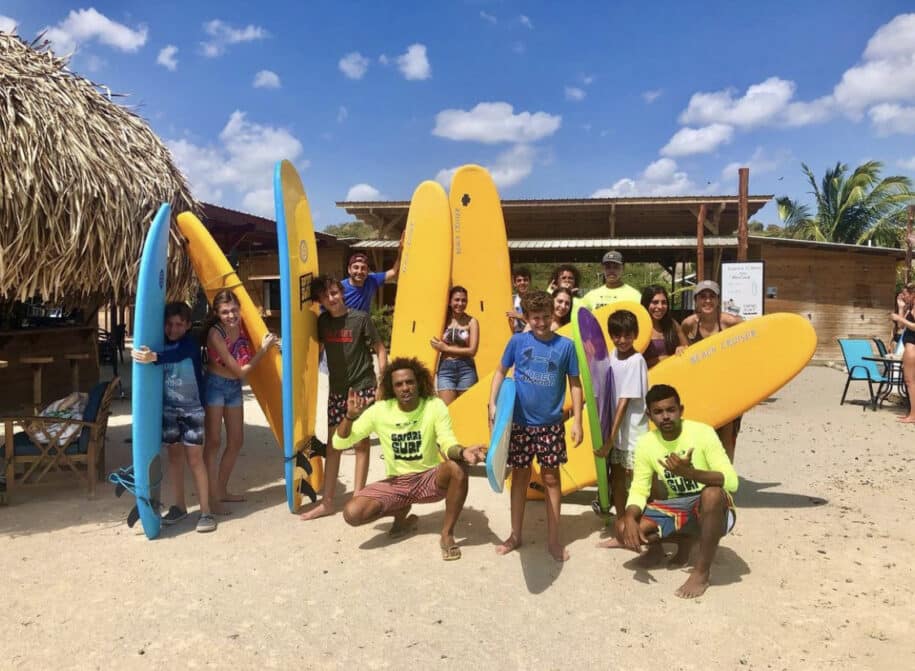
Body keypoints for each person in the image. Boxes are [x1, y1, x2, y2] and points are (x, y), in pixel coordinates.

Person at [333, 357, 486, 561]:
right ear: (391, 388)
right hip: (397, 482)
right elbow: (339, 443)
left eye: (409, 382)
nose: (405, 388)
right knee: (352, 513)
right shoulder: (380, 411)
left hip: (430, 479)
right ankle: (400, 516)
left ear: (419, 382)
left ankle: (447, 535)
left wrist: (462, 452)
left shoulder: (434, 406)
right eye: (399, 384)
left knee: (457, 469)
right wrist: (350, 417)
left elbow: (446, 441)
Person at [606, 384, 739, 599]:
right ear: (649, 415)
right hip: (679, 508)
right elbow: (640, 488)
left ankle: (701, 573)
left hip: (716, 509)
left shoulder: (702, 433)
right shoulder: (646, 443)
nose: (665, 417)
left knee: (711, 494)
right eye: (658, 412)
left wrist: (690, 473)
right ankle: (673, 546)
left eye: (671, 410)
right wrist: (630, 516)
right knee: (623, 527)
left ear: (681, 410)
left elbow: (732, 482)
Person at [490, 290, 583, 561]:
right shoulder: (517, 341)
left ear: (553, 315)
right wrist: (492, 404)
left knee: (552, 478)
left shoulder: (566, 346)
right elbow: (499, 372)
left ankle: (554, 539)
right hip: (519, 421)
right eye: (535, 318)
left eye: (545, 317)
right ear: (527, 318)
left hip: (551, 424)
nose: (541, 323)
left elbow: (575, 384)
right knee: (519, 476)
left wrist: (577, 420)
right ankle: (515, 535)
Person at [300, 275, 388, 521]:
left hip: (362, 387)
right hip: (338, 391)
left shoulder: (360, 319)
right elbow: (313, 352)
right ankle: (328, 502)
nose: (332, 298)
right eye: (326, 296)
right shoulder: (323, 322)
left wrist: (382, 382)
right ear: (321, 301)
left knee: (360, 444)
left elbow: (380, 349)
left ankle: (357, 496)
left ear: (341, 291)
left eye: (334, 292)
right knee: (334, 444)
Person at [132, 302, 216, 532]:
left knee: (195, 460)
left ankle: (206, 511)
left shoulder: (189, 345)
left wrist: (153, 356)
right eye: (169, 324)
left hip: (193, 410)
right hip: (169, 410)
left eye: (179, 324)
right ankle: (179, 506)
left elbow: (175, 353)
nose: (173, 329)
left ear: (188, 325)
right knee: (174, 460)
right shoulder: (160, 344)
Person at [203, 290, 278, 514]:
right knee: (214, 441)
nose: (230, 315)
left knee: (236, 440)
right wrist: (264, 350)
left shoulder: (244, 326)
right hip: (216, 385)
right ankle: (211, 498)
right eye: (225, 312)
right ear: (217, 313)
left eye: (234, 310)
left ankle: (222, 490)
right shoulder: (215, 334)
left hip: (233, 389)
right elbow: (239, 372)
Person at [595, 310, 648, 543]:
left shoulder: (637, 361)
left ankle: (639, 529)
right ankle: (620, 529)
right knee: (616, 480)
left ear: (635, 335)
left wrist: (608, 441)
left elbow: (624, 402)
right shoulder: (613, 355)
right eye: (617, 336)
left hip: (633, 434)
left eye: (627, 335)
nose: (622, 340)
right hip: (615, 433)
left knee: (637, 483)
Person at [680, 280, 743, 462]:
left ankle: (726, 480)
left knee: (727, 436)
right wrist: (679, 349)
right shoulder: (689, 324)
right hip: (700, 388)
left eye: (711, 296)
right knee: (701, 435)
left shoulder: (730, 322)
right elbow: (683, 349)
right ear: (696, 301)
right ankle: (704, 477)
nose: (707, 301)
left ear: (718, 300)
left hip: (726, 388)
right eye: (702, 297)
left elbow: (752, 338)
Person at [431, 286, 479, 405]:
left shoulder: (472, 322)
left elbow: (472, 350)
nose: (460, 303)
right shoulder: (442, 321)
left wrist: (446, 348)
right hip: (446, 369)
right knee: (448, 411)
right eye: (457, 300)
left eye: (464, 300)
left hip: (466, 369)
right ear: (450, 301)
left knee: (466, 410)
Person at [341, 242, 402, 312]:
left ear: (367, 271)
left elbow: (393, 272)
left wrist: (400, 253)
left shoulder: (371, 280)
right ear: (349, 269)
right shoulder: (341, 287)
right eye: (356, 267)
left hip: (364, 322)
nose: (359, 271)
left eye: (363, 268)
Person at [640, 285, 689, 369]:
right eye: (655, 302)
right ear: (646, 303)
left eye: (664, 302)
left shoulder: (672, 324)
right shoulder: (638, 326)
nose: (660, 306)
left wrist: (682, 349)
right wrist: (660, 360)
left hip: (672, 376)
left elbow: (688, 349)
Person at [890, 299, 915, 423]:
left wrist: (901, 319)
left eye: (905, 294)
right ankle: (912, 413)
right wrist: (901, 308)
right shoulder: (910, 308)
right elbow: (901, 327)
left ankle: (913, 415)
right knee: (909, 382)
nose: (902, 296)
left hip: (913, 348)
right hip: (908, 347)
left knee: (911, 382)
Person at [506, 266, 531, 332]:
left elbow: (538, 322)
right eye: (519, 280)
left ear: (529, 282)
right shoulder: (510, 300)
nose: (522, 283)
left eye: (525, 280)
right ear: (514, 283)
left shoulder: (535, 300)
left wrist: (520, 316)